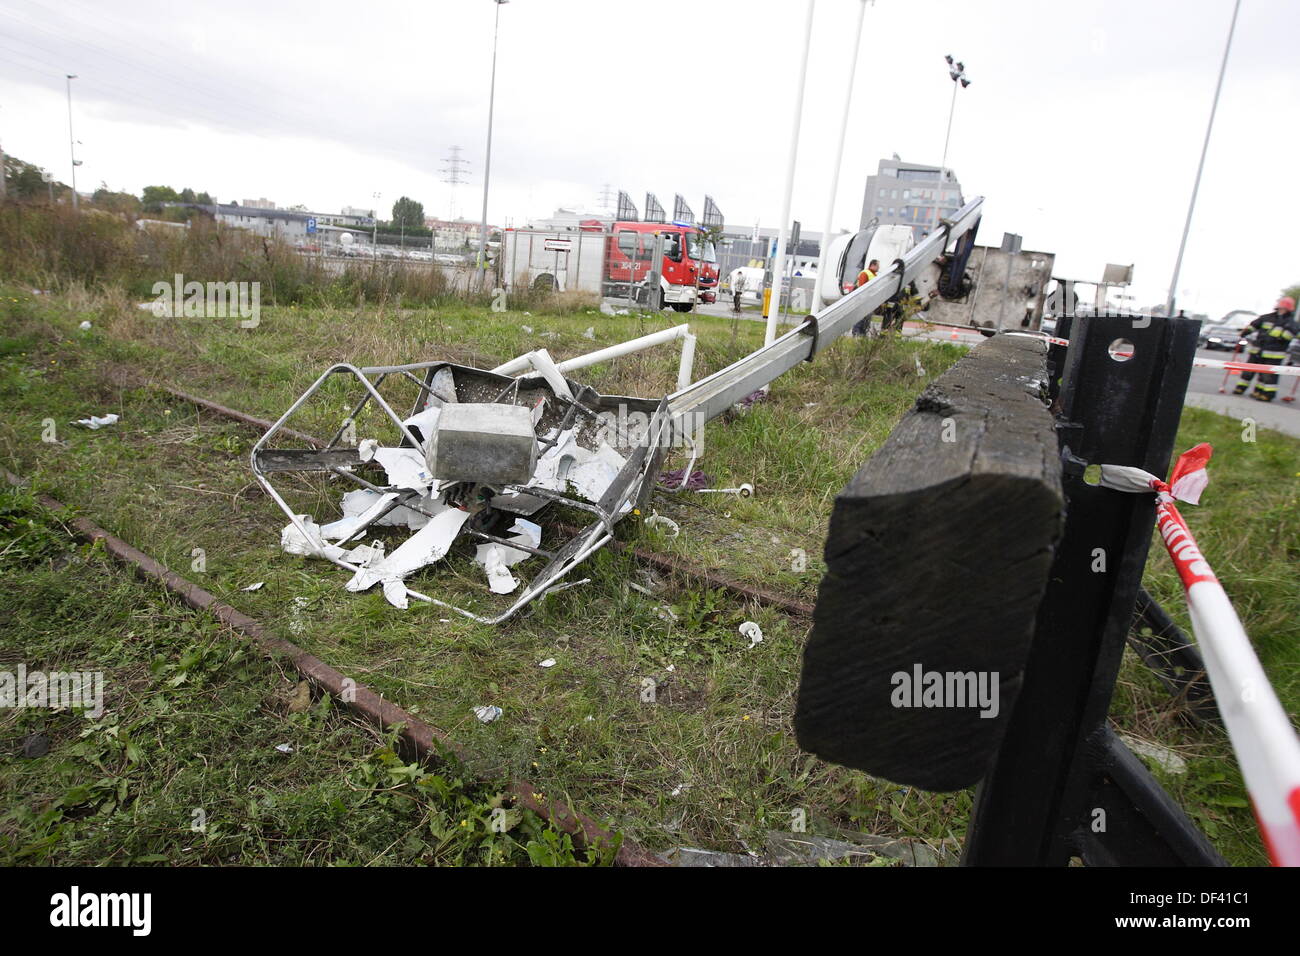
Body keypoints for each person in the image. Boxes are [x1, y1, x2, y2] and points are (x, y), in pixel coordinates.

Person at [1233, 296, 1298, 402]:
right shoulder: (1266, 317)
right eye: (1281, 307)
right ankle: (1242, 389)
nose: (1282, 310)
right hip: (1257, 350)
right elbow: (1253, 326)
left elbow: (1290, 334)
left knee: (1268, 376)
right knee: (1248, 371)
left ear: (1289, 310)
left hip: (1274, 354)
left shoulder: (1291, 322)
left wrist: (1280, 336)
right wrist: (1245, 332)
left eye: (1284, 308)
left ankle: (1267, 394)